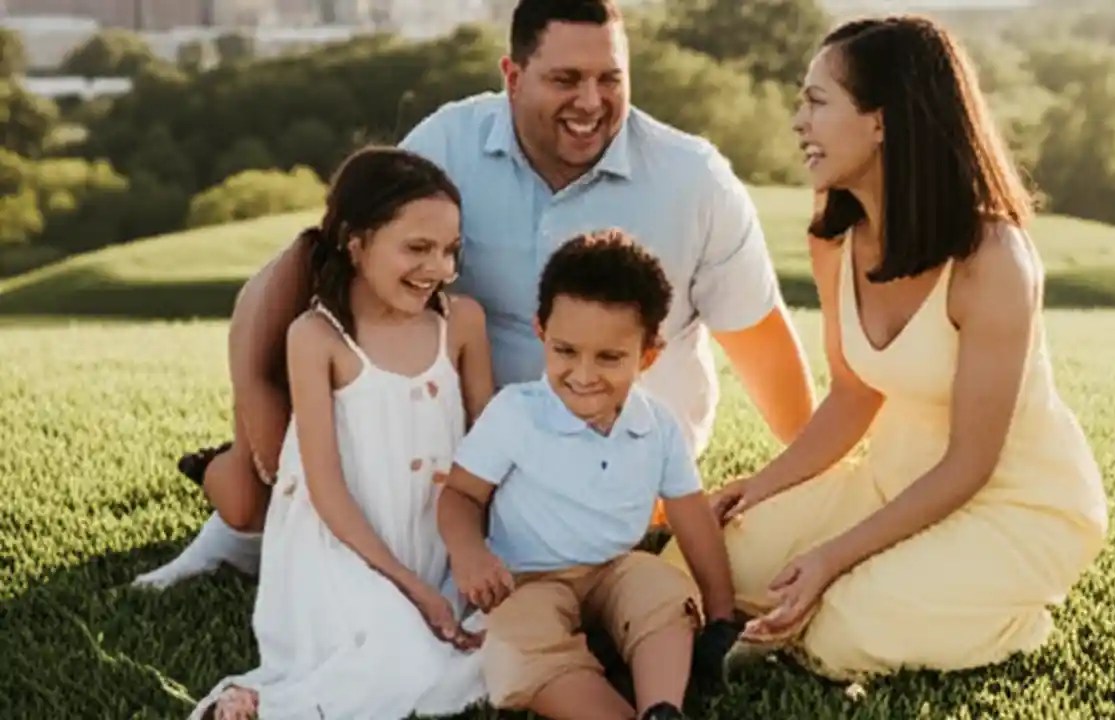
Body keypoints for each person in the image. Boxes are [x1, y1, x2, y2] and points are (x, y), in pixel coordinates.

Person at [131, 0, 815, 591]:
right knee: (263, 496)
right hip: (457, 452)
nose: (591, 101)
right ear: (512, 77)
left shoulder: (693, 181)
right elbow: (323, 256)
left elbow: (766, 353)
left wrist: (809, 482)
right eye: (566, 78)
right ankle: (239, 522)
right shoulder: (446, 144)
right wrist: (253, 390)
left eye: (611, 78)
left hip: (612, 463)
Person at [664, 16, 1109, 684]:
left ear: (882, 121)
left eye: (817, 102)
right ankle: (804, 608)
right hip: (889, 484)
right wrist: (756, 489)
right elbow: (852, 397)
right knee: (693, 560)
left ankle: (1015, 611)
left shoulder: (993, 260)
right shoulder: (832, 238)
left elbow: (970, 465)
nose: (798, 122)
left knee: (849, 629)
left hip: (1011, 504)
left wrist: (833, 557)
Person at [189, 146, 491, 720]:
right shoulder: (318, 337)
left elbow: (491, 449)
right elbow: (326, 491)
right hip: (343, 548)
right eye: (418, 248)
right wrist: (409, 586)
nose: (440, 269)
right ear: (357, 243)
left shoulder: (462, 324)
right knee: (401, 662)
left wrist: (468, 555)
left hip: (441, 543)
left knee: (496, 649)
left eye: (451, 251)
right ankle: (265, 704)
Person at [438, 230, 738, 720]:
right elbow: (460, 495)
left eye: (610, 357)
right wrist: (469, 554)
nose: (583, 374)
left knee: (664, 591)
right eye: (566, 351)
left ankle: (661, 708)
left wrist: (722, 614)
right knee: (517, 644)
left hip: (613, 569)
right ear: (541, 333)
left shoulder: (657, 426)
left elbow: (693, 519)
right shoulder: (516, 412)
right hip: (527, 580)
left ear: (648, 355)